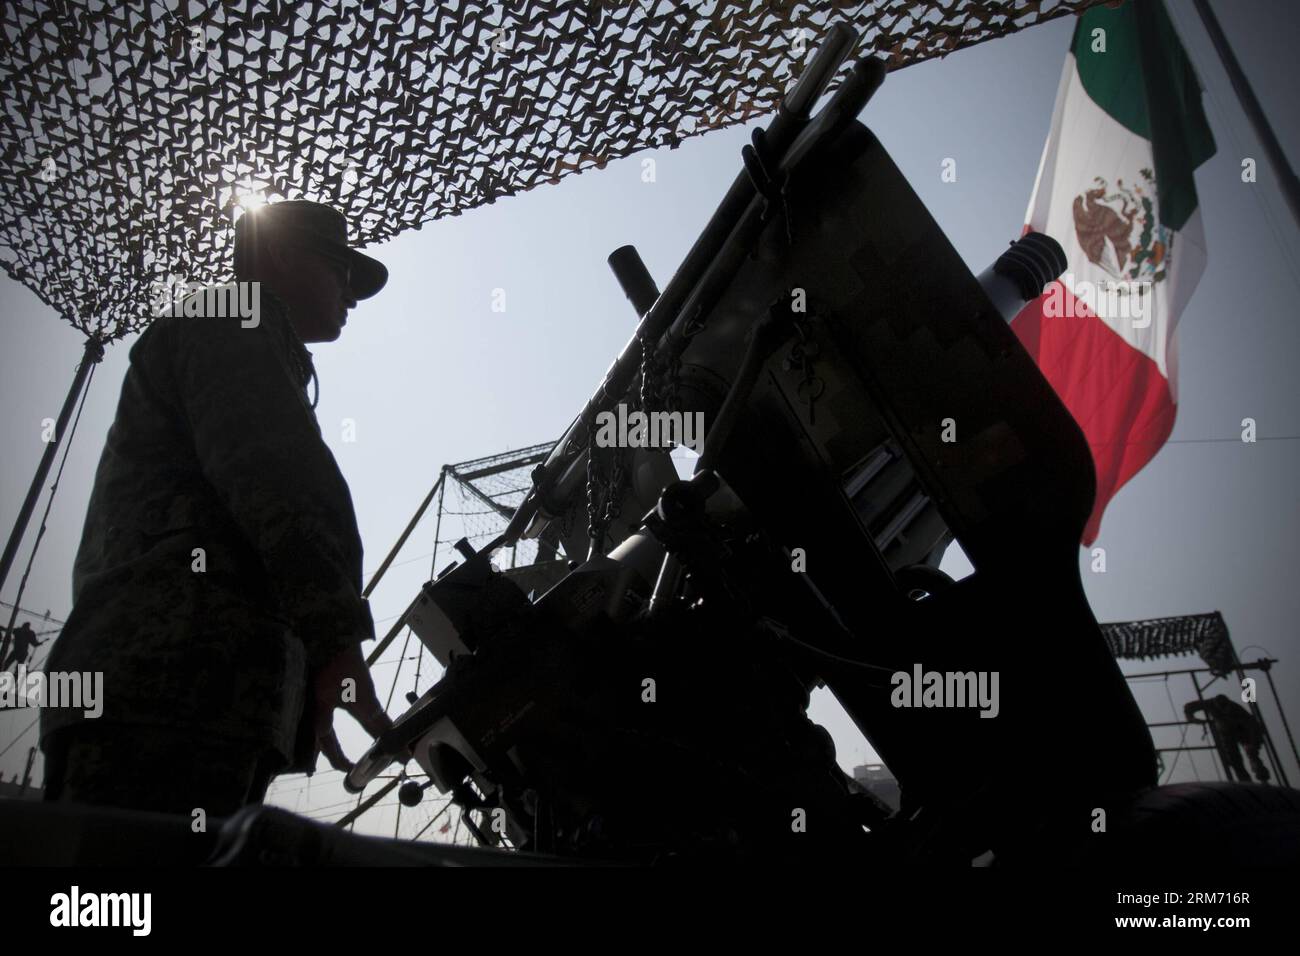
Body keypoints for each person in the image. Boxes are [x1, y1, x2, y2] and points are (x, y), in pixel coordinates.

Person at [40, 201, 393, 816]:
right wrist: (335, 637)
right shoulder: (229, 318)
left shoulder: (241, 336)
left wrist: (307, 669)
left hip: (187, 690)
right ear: (280, 253)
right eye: (340, 270)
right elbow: (277, 478)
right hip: (170, 688)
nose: (351, 297)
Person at [1184, 694, 1270, 784]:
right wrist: (1191, 718)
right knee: (1234, 759)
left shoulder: (1238, 710)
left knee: (1252, 754)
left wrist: (1253, 744)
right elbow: (1188, 707)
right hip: (1226, 733)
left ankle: (1262, 777)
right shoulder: (1209, 704)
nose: (1224, 711)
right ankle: (1245, 781)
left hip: (1242, 731)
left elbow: (1253, 728)